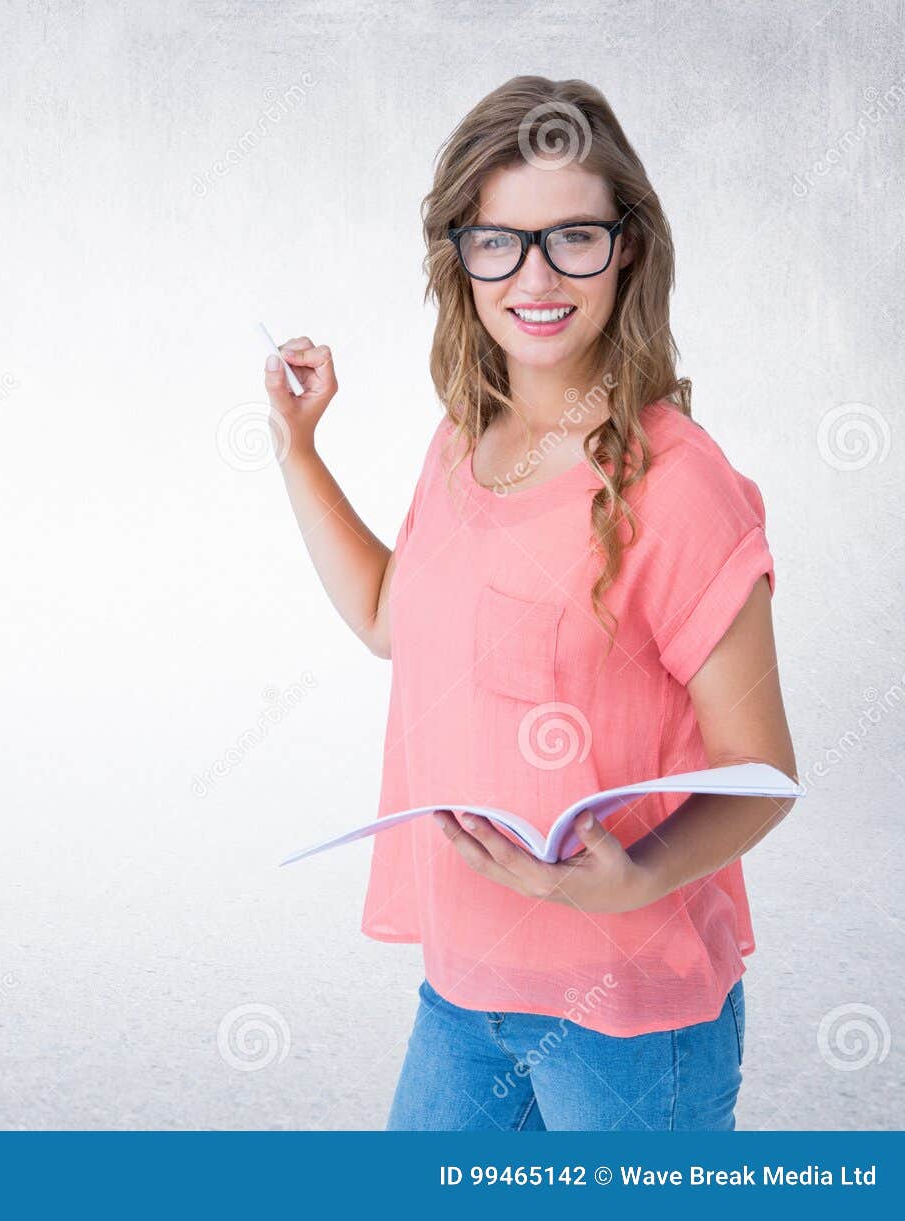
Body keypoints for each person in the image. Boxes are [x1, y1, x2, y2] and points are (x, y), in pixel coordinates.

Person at [264, 76, 798, 1131]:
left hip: (628, 1023)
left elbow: (763, 776)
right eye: (499, 242)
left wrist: (631, 878)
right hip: (463, 994)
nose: (535, 276)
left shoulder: (680, 487)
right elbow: (386, 616)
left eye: (572, 239)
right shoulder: (467, 437)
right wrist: (297, 451)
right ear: (459, 260)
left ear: (627, 248)